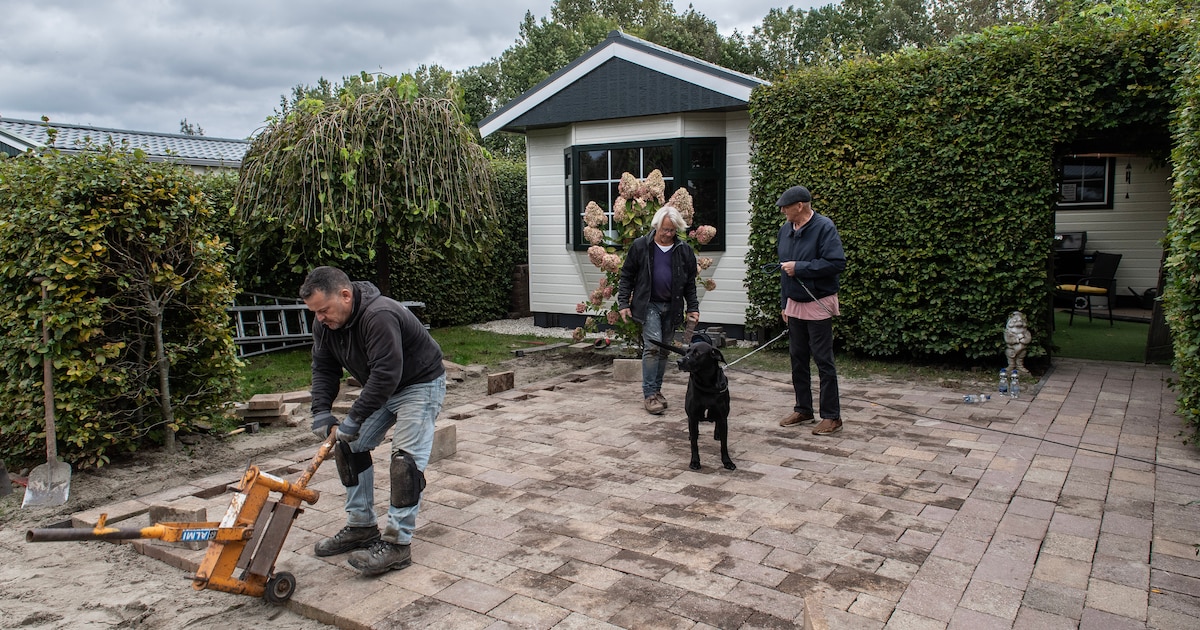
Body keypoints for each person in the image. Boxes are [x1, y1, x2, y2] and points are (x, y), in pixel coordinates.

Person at [300, 266, 446, 576]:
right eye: (315, 312)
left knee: (404, 462)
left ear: (345, 295)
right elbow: (323, 368)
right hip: (384, 388)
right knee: (348, 445)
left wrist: (354, 417)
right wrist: (321, 411)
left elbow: (386, 374)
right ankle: (361, 526)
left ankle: (397, 545)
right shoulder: (325, 325)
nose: (320, 318)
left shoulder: (378, 314)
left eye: (323, 310)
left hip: (420, 384)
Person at [774, 186, 847, 436]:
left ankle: (832, 416)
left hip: (818, 300)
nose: (783, 211)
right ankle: (803, 408)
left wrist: (802, 268)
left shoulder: (824, 227)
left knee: (823, 359)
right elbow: (784, 270)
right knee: (797, 357)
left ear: (800, 206)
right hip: (794, 303)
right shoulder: (785, 230)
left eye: (786, 207)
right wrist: (785, 302)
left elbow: (837, 263)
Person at [617, 205, 700, 414]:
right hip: (649, 304)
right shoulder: (641, 246)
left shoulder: (683, 250)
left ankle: (657, 390)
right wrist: (624, 303)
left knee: (664, 350)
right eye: (665, 229)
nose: (668, 234)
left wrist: (693, 308)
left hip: (672, 306)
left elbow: (690, 283)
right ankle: (649, 394)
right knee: (652, 346)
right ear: (657, 226)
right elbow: (627, 276)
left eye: (672, 230)